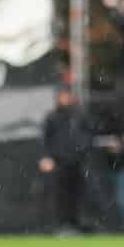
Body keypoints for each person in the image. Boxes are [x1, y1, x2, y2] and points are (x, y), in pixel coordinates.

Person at [39, 86, 93, 234]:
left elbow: (88, 136)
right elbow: (45, 140)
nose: (66, 99)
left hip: (76, 162)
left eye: (68, 95)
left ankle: (75, 223)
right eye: (63, 95)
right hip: (59, 162)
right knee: (60, 194)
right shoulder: (52, 117)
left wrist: (81, 150)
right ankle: (61, 225)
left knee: (76, 193)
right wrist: (46, 157)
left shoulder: (79, 116)